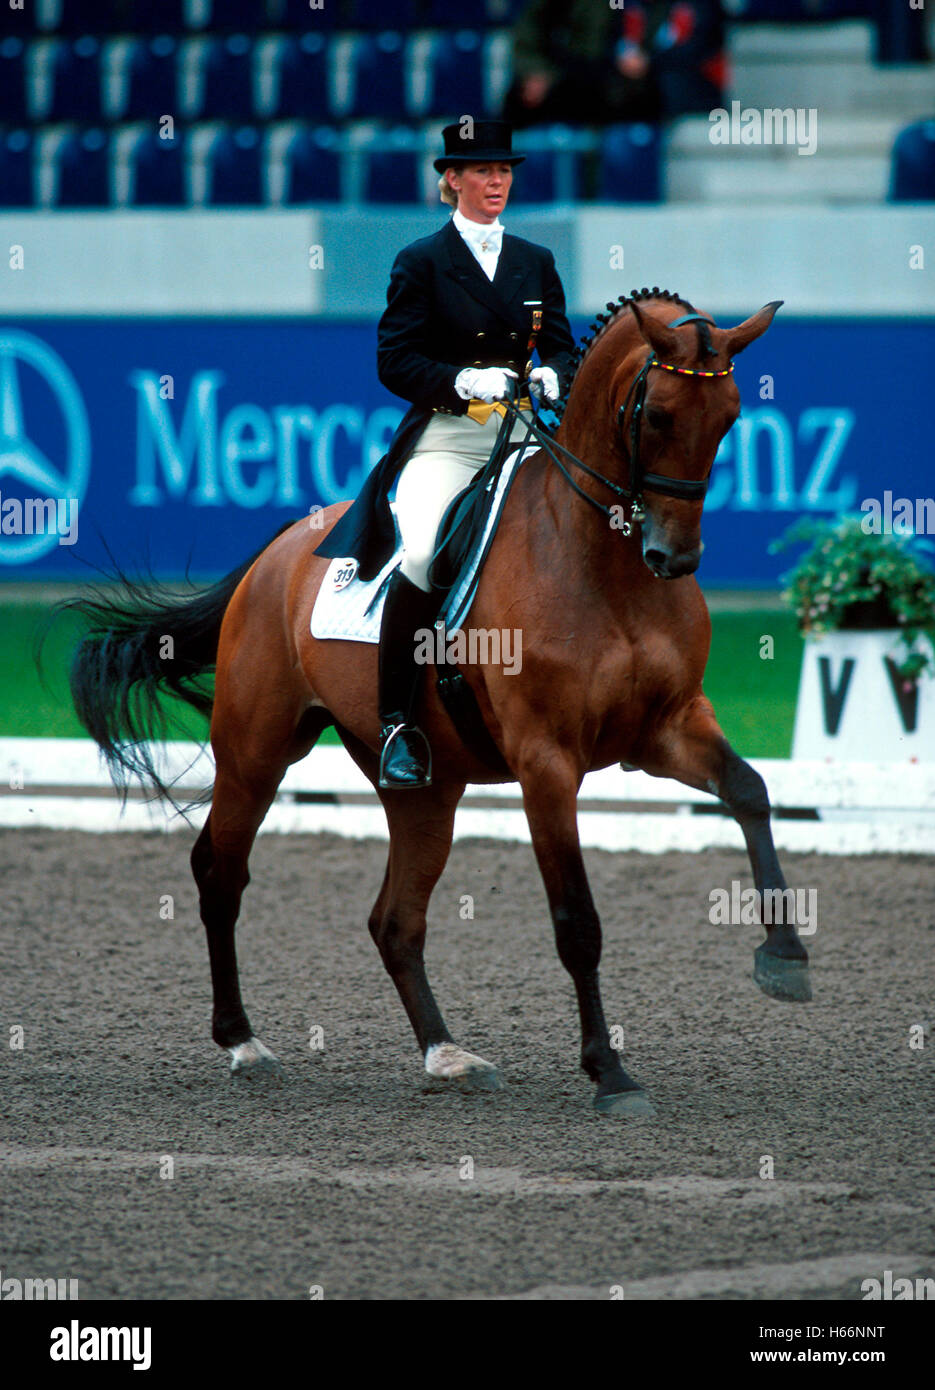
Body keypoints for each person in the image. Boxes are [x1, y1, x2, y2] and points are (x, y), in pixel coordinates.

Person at [314, 119, 575, 790]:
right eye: (482, 171)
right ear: (451, 179)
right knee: (426, 552)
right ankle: (397, 720)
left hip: (524, 438)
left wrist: (555, 375)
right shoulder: (421, 261)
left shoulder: (534, 261)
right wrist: (462, 382)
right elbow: (393, 359)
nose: (496, 181)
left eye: (504, 171)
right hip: (453, 437)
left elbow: (562, 347)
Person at [503, 0, 726, 127]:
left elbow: (678, 38)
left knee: (628, 99)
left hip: (612, 76)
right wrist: (536, 71)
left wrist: (645, 61)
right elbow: (531, 30)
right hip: (570, 70)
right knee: (518, 102)